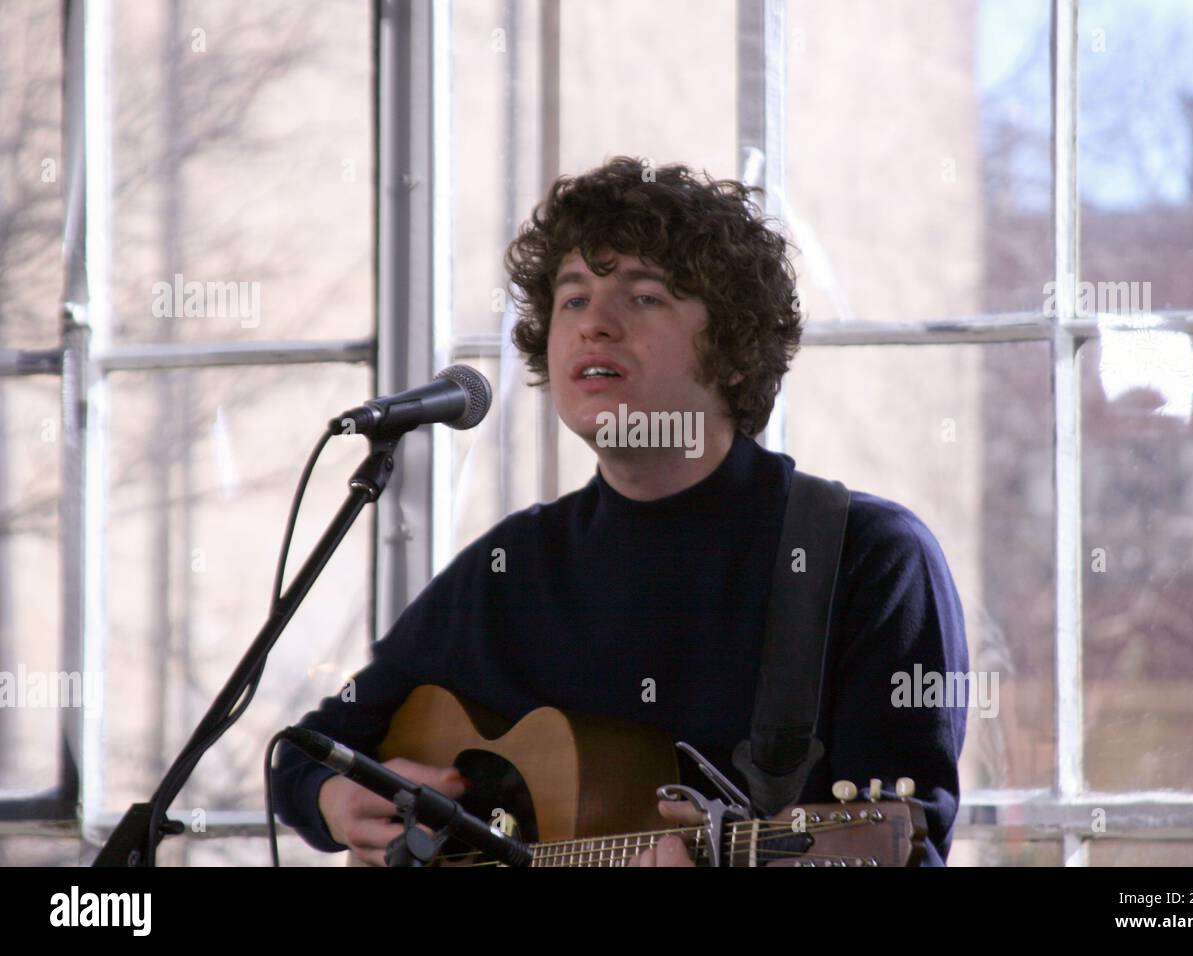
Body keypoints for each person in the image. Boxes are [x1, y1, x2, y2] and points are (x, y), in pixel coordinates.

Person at [271, 155, 969, 867]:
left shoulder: (864, 557)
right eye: (572, 299)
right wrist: (333, 800)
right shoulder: (513, 565)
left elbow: (897, 841)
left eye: (643, 298)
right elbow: (307, 752)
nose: (593, 325)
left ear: (732, 351)